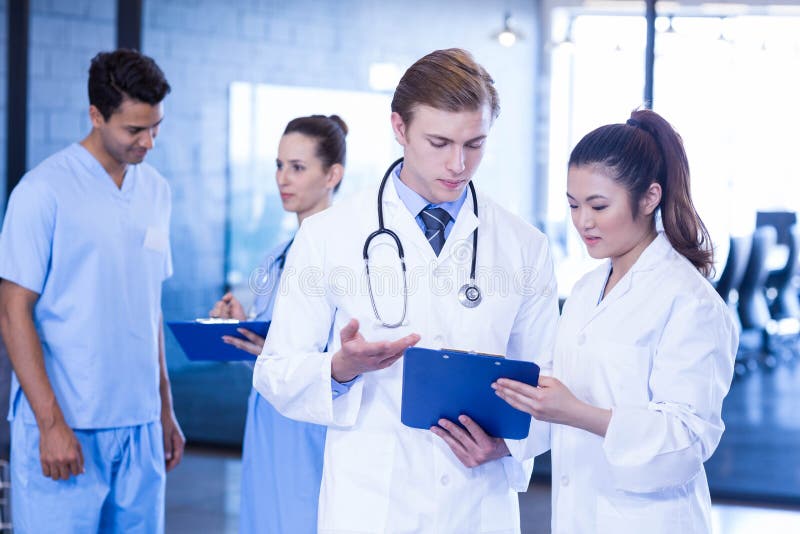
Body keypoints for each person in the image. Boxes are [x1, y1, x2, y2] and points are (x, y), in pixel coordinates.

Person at [253, 48, 558, 533]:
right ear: (399, 128)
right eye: (438, 142)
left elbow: (549, 380)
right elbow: (275, 372)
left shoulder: (525, 246)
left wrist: (510, 444)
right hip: (371, 503)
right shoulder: (330, 234)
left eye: (475, 144)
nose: (458, 164)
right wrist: (340, 367)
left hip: (475, 502)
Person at [493, 109, 737, 533]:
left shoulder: (690, 302)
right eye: (573, 205)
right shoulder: (588, 288)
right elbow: (557, 391)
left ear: (649, 198)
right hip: (577, 513)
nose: (583, 221)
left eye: (598, 205)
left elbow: (687, 439)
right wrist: (501, 440)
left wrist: (579, 413)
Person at [0, 49, 184, 533]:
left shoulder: (157, 191)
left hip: (140, 424)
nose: (148, 141)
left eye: (156, 126)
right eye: (134, 130)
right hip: (69, 422)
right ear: (96, 116)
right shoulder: (42, 191)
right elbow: (12, 313)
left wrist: (164, 408)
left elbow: (149, 309)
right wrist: (50, 424)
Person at [207, 115, 346, 534]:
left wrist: (272, 350)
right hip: (268, 419)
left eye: (298, 167)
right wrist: (240, 329)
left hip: (313, 426)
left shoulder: (346, 255)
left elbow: (345, 356)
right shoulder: (275, 258)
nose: (283, 178)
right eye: (279, 165)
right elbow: (270, 354)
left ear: (332, 175)